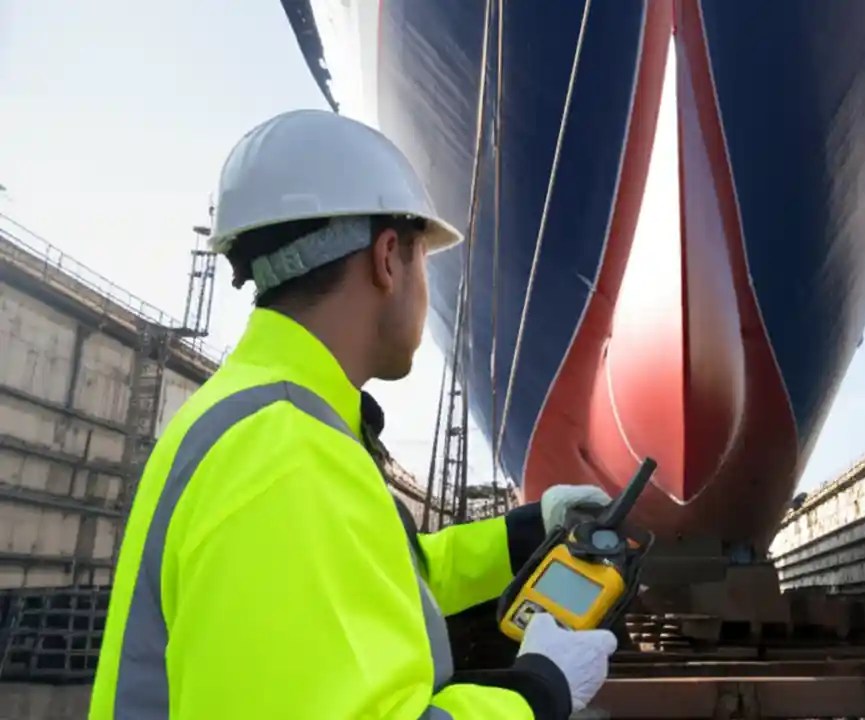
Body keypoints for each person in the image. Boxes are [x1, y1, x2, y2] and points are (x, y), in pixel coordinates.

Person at [89, 109, 619, 719]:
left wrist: (526, 531)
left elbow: (383, 576)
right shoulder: (285, 454)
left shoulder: (264, 417)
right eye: (426, 261)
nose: (425, 290)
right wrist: (537, 692)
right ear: (388, 258)